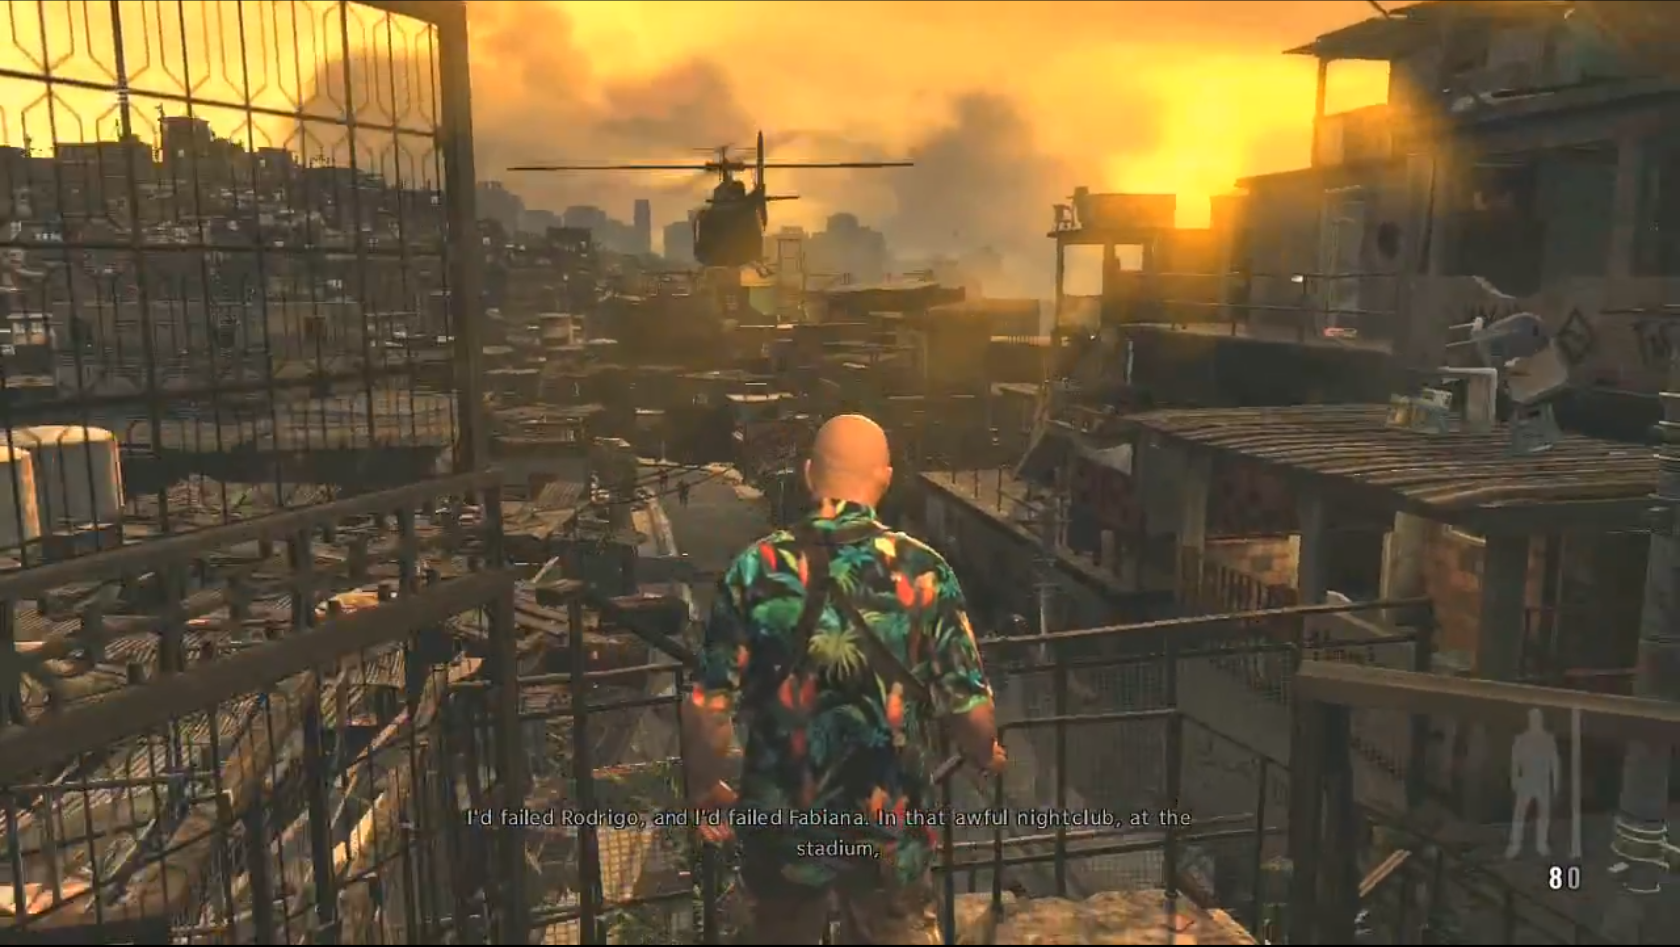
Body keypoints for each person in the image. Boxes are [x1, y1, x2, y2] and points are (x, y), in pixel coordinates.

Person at [683, 414, 1004, 945]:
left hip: (783, 829)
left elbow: (707, 709)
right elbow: (971, 715)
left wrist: (703, 785)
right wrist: (984, 750)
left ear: (809, 475)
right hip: (889, 828)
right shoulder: (924, 571)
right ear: (885, 478)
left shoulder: (756, 568)